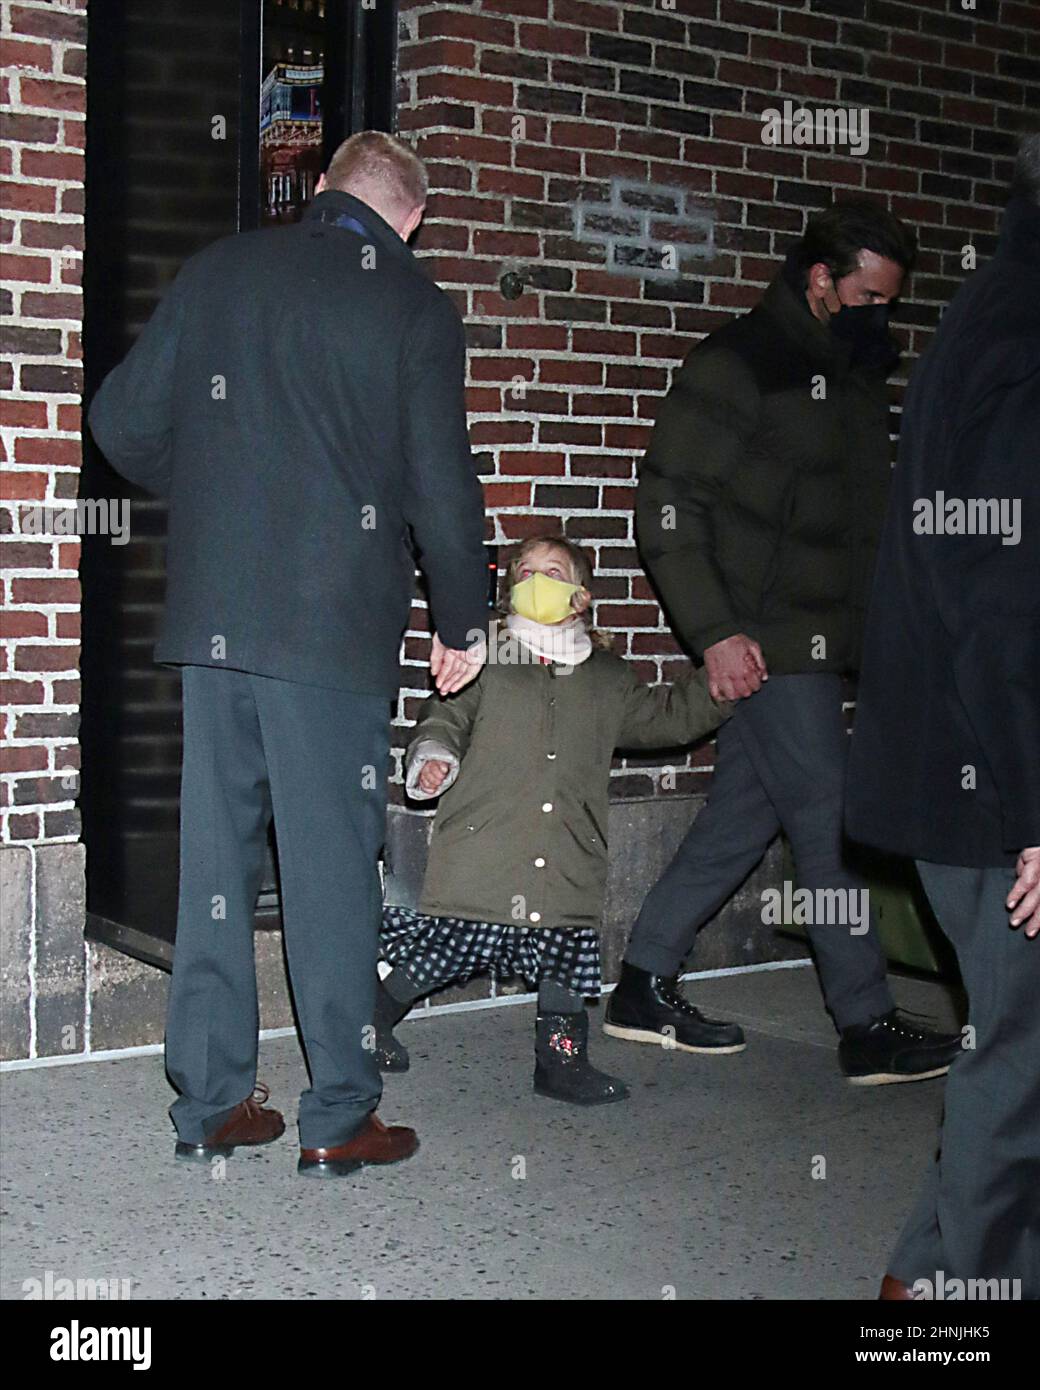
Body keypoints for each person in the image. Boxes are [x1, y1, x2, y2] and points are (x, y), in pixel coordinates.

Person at [88, 131, 489, 1179]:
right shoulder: (409, 305)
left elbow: (118, 421)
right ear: (409, 221)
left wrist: (216, 486)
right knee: (327, 874)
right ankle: (337, 1112)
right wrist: (462, 619)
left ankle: (213, 1101)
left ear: (319, 193)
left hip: (216, 623)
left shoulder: (220, 269)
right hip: (330, 632)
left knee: (213, 863)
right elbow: (441, 487)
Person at [607, 200, 963, 1083]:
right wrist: (715, 632)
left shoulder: (845, 378)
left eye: (893, 300)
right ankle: (865, 1021)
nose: (883, 314)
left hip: (814, 647)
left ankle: (642, 980)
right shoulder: (737, 365)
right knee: (829, 822)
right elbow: (666, 507)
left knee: (741, 820)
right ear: (820, 282)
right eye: (870, 295)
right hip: (764, 645)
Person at [845, 128, 1040, 1299]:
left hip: (957, 768)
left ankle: (920, 1273)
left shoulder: (989, 310)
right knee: (1020, 1063)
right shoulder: (1023, 337)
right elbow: (1003, 602)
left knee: (1005, 1048)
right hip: (988, 783)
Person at [373, 535, 735, 1105]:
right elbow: (446, 713)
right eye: (526, 572)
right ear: (510, 589)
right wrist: (434, 758)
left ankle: (561, 1065)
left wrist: (716, 691)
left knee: (564, 959)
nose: (537, 580)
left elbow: (661, 719)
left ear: (580, 597)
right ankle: (369, 1024)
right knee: (442, 952)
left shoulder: (608, 677)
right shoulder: (485, 653)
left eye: (553, 571)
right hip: (486, 850)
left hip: (567, 853)